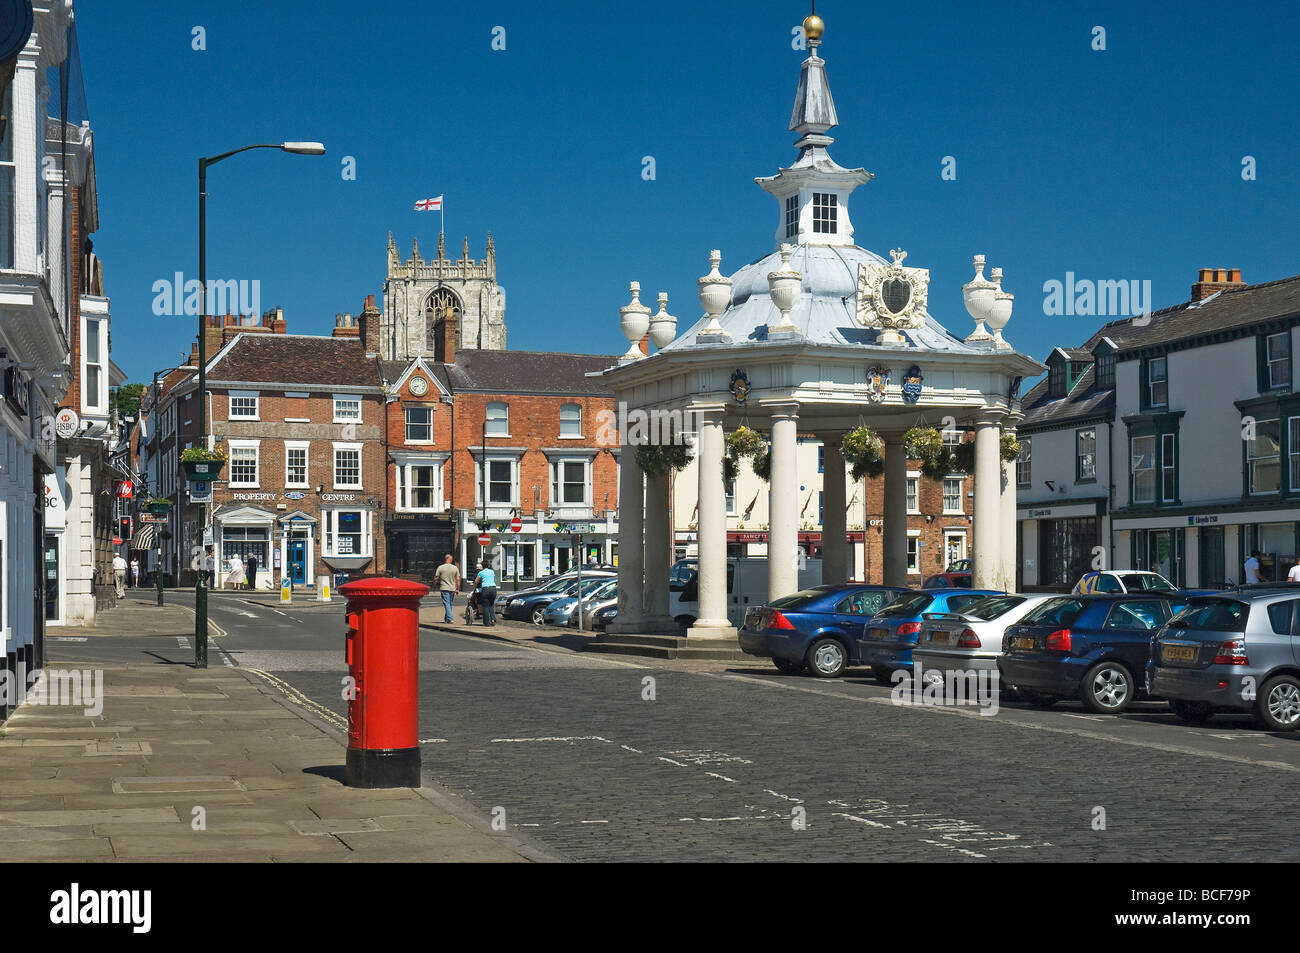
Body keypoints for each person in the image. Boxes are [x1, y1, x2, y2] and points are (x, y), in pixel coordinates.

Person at [434, 554, 460, 623]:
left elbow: (436, 578)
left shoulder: (440, 567)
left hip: (444, 588)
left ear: (445, 559)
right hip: (452, 588)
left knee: (447, 603)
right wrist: (457, 589)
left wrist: (434, 585)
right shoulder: (455, 568)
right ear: (450, 559)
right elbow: (458, 579)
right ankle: (447, 619)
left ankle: (450, 618)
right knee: (449, 604)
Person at [474, 560, 498, 626]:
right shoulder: (492, 572)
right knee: (491, 604)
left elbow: (476, 581)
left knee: (486, 606)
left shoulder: (481, 573)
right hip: (493, 588)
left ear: (482, 566)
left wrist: (475, 587)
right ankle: (493, 619)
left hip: (485, 589)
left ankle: (487, 623)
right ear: (488, 565)